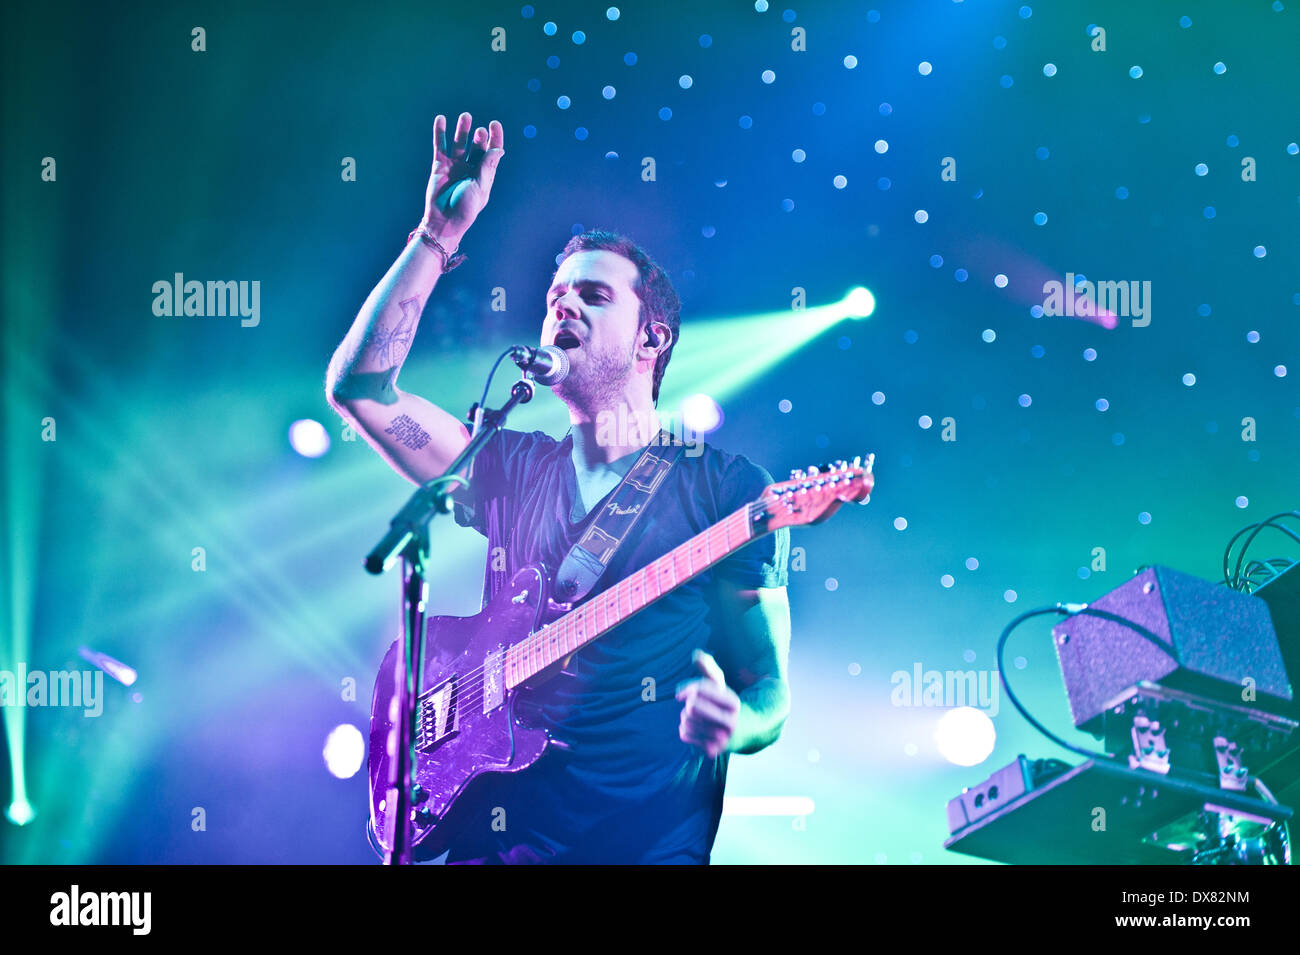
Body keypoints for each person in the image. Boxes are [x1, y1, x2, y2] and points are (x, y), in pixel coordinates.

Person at [326, 112, 791, 863]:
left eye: (594, 296)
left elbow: (771, 688)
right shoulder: (511, 464)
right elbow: (363, 391)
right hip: (496, 837)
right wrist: (435, 236)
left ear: (654, 338)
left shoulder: (726, 490)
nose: (562, 305)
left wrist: (741, 723)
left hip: (640, 845)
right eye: (555, 295)